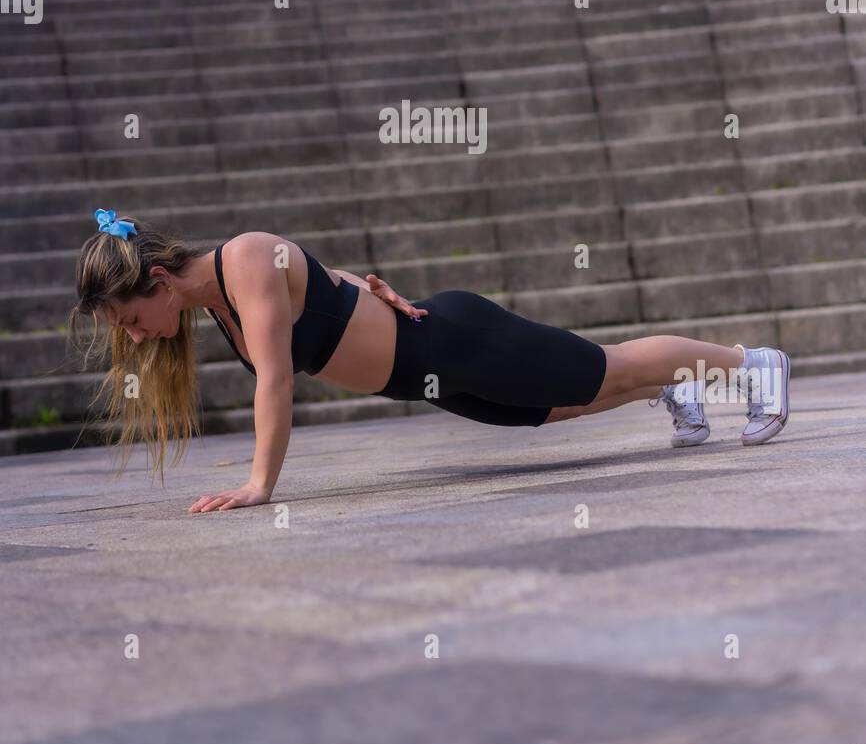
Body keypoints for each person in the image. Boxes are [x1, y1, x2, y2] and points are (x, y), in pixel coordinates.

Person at [69, 209, 791, 513]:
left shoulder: (245, 259)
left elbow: (279, 377)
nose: (136, 338)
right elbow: (319, 284)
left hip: (452, 343)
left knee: (608, 364)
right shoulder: (215, 301)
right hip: (433, 377)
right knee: (561, 405)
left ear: (158, 282)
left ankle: (751, 364)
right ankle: (673, 389)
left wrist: (261, 484)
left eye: (132, 320)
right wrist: (368, 285)